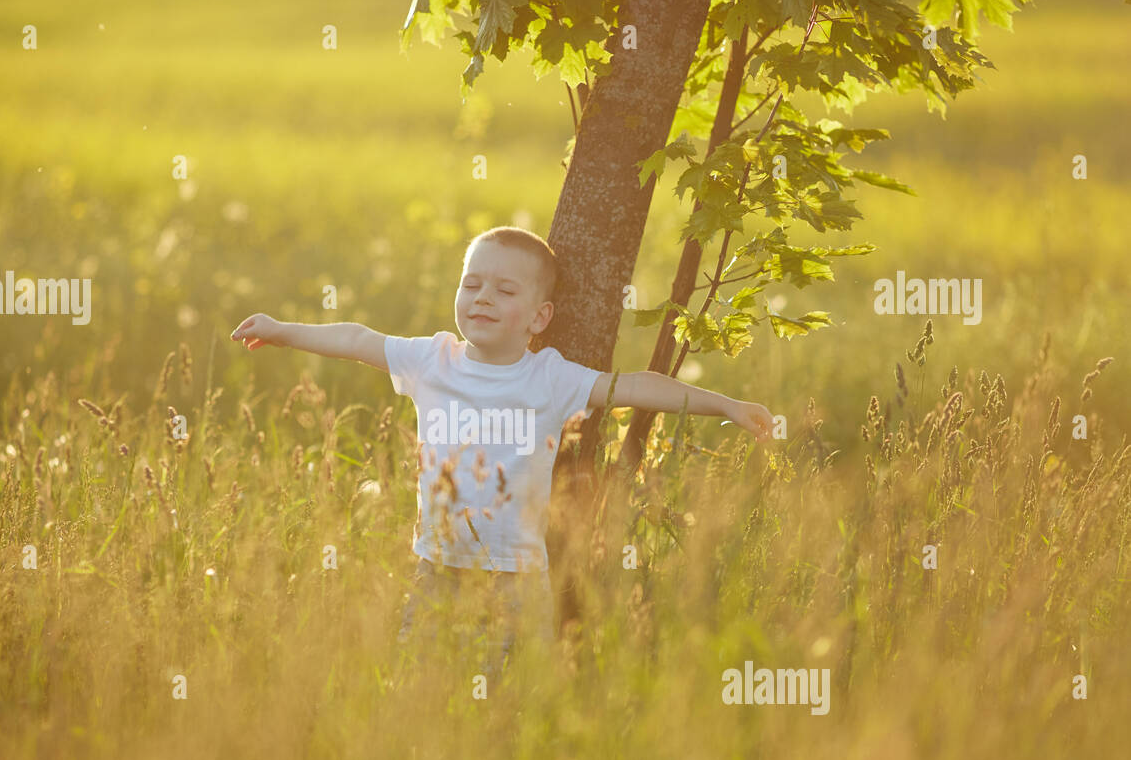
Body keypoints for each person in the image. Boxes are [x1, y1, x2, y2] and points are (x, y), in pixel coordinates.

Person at [231, 226, 774, 680]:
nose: (483, 297)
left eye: (504, 290)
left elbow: (634, 386)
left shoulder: (550, 377)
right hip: (436, 569)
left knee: (513, 700)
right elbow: (355, 338)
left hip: (517, 578)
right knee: (418, 687)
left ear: (539, 318)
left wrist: (723, 404)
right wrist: (283, 331)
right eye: (472, 284)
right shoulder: (431, 360)